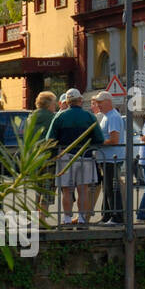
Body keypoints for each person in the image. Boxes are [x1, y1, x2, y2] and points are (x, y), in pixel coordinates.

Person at [46, 89, 101, 226]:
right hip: (86, 157)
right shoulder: (89, 117)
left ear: (67, 102)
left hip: (65, 156)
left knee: (67, 190)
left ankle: (67, 219)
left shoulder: (59, 117)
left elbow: (49, 139)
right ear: (81, 100)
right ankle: (82, 219)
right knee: (83, 190)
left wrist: (60, 148)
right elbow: (99, 139)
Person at [92, 91, 126, 225]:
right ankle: (106, 216)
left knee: (112, 188)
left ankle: (117, 217)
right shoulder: (108, 116)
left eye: (100, 102)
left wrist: (98, 142)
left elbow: (114, 139)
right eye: (97, 102)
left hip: (112, 158)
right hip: (107, 158)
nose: (98, 105)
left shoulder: (113, 117)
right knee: (108, 188)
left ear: (108, 102)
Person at [28, 91, 58, 216]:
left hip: (33, 157)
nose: (55, 106)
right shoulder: (52, 118)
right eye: (54, 103)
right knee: (47, 188)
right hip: (48, 156)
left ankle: (36, 216)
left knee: (37, 189)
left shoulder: (31, 117)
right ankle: (42, 218)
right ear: (48, 104)